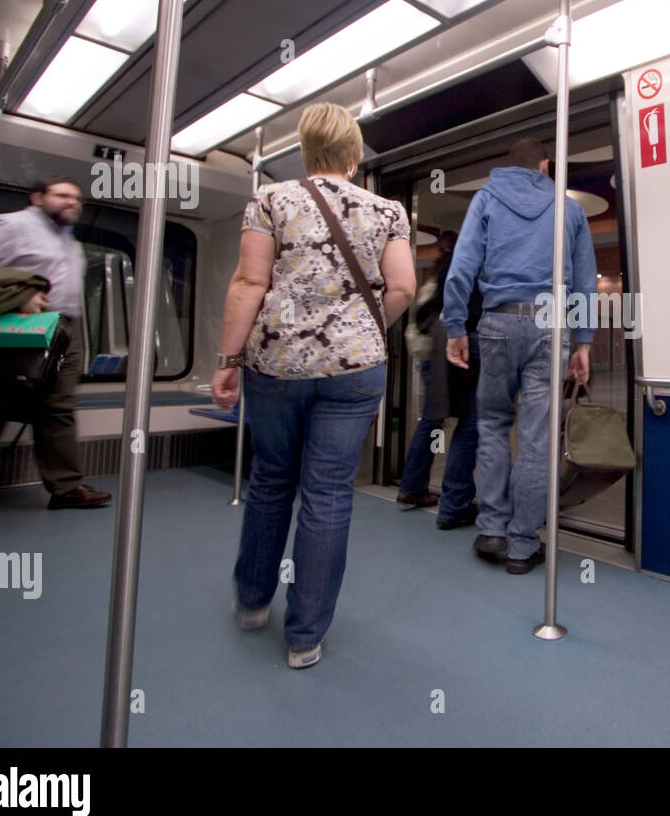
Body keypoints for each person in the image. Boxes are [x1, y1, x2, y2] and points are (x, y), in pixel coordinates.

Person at [212, 102, 414, 669]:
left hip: (276, 367)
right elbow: (401, 287)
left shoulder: (271, 199)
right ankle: (305, 638)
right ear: (354, 154)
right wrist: (362, 331)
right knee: (328, 493)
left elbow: (250, 281)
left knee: (272, 479)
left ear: (305, 151)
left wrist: (228, 359)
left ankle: (253, 602)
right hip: (355, 372)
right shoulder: (388, 210)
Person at [443, 138, 597, 574]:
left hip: (497, 320)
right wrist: (582, 341)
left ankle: (491, 527)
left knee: (492, 424)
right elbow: (585, 281)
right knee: (537, 437)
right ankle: (522, 545)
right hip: (552, 325)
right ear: (545, 166)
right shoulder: (569, 209)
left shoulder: (487, 198)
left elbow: (462, 267)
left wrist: (456, 327)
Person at [0, 176, 111, 512]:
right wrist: (15, 297)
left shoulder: (70, 241)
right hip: (18, 325)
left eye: (76, 198)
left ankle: (66, 487)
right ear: (37, 198)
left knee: (57, 408)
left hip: (63, 330)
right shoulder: (11, 226)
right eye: (62, 195)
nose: (70, 202)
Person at [396, 229, 483, 529]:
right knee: (471, 422)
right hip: (461, 340)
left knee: (433, 418)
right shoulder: (475, 259)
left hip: (435, 342)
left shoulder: (445, 266)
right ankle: (455, 503)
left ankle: (412, 486)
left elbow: (426, 310)